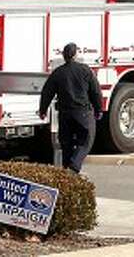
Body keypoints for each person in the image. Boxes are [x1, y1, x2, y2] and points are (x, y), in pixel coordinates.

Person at [39, 41, 103, 174]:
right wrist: (98, 109)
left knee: (66, 144)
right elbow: (95, 91)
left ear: (64, 56)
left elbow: (47, 92)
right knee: (85, 141)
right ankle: (74, 167)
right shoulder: (85, 70)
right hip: (82, 112)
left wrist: (43, 110)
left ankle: (66, 172)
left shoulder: (58, 73)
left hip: (64, 114)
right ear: (75, 54)